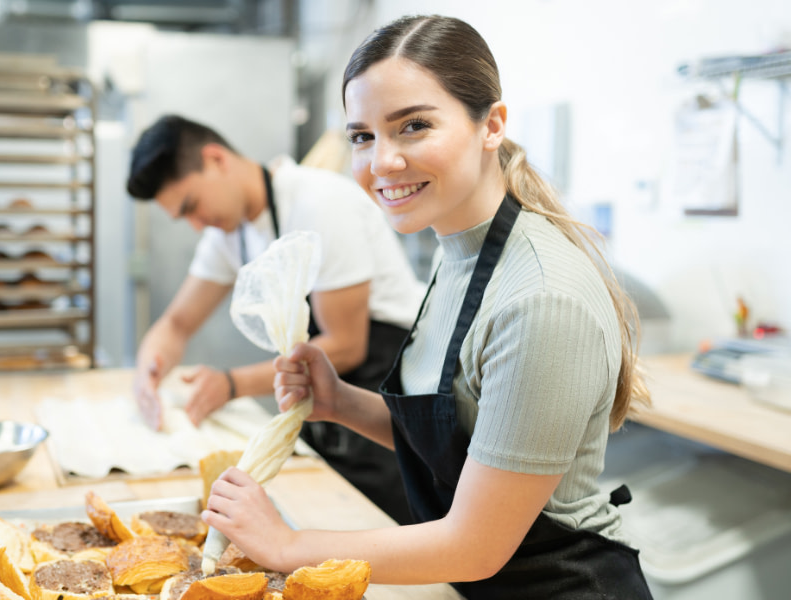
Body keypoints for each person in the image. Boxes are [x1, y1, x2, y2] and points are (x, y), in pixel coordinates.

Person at [200, 14, 655, 598]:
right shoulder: (459, 252)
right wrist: (340, 403)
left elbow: (475, 545)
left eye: (413, 126)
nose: (382, 162)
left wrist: (288, 545)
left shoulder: (542, 301)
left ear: (491, 125)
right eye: (362, 136)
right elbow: (468, 443)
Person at [126, 114, 426, 525]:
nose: (196, 226)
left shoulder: (319, 202)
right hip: (325, 403)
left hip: (384, 390)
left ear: (216, 159)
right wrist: (147, 374)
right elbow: (176, 324)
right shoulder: (229, 234)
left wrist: (230, 385)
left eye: (192, 206)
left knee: (379, 530)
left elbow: (346, 344)